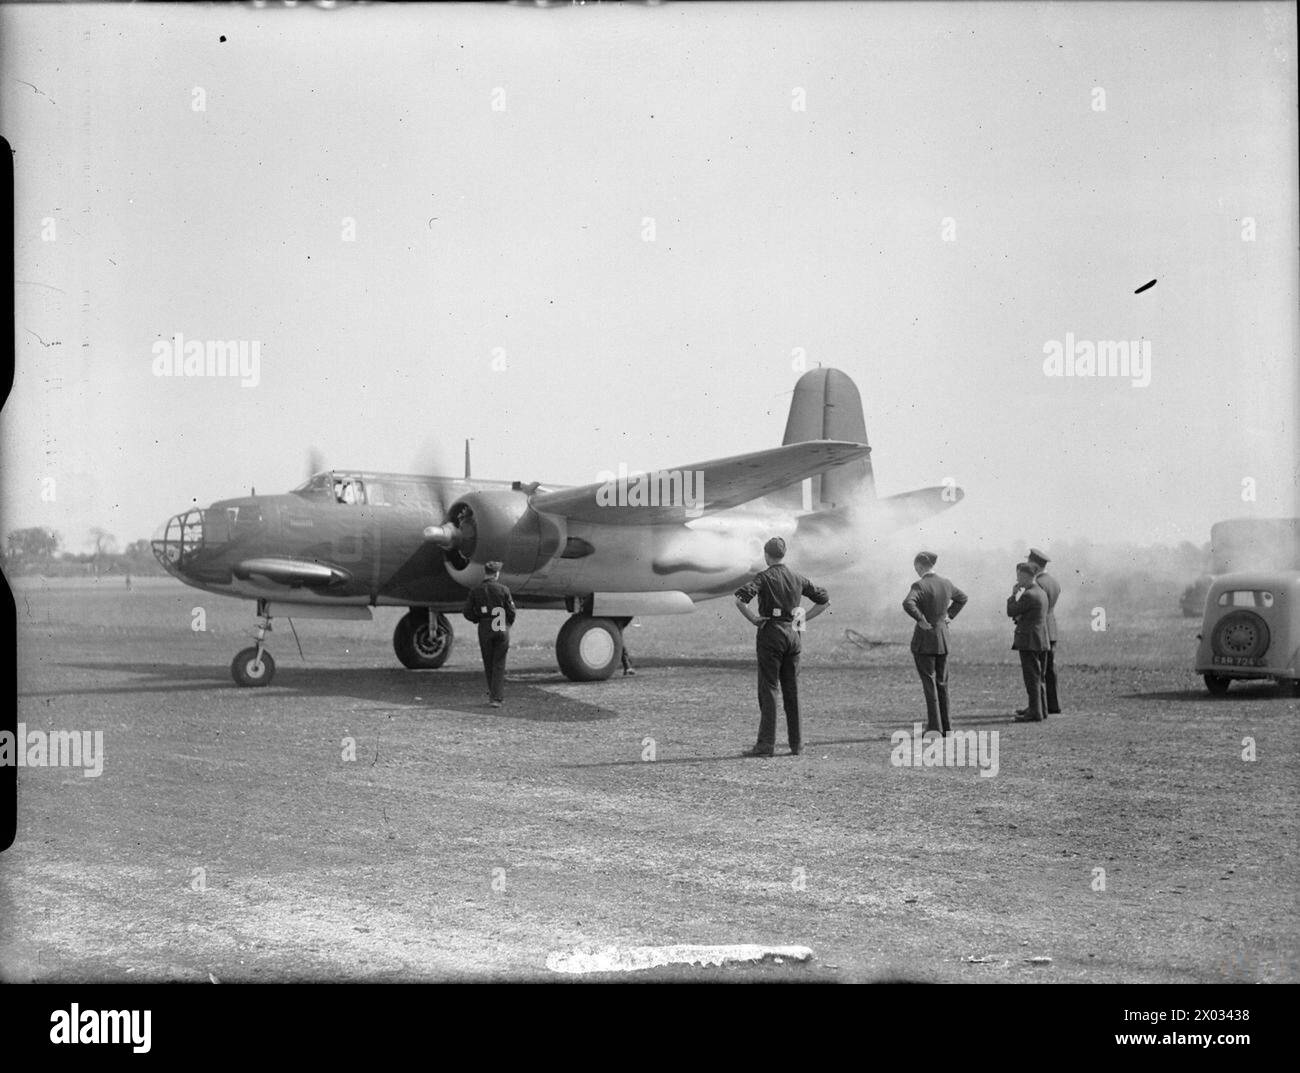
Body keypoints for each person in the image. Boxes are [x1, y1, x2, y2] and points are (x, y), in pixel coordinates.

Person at [733, 536, 830, 757]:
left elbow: (740, 599)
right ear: (783, 554)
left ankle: (766, 744)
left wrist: (753, 619)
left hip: (771, 634)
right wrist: (803, 619)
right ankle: (797, 745)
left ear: (766, 555)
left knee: (768, 689)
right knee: (792, 690)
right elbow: (825, 600)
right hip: (793, 634)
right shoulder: (797, 577)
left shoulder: (764, 577)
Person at [902, 551, 968, 735]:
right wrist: (949, 615)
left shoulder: (919, 584)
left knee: (929, 684)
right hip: (943, 639)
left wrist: (921, 619)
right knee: (942, 683)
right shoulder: (946, 583)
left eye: (916, 567)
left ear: (919, 566)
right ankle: (947, 727)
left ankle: (934, 726)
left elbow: (908, 603)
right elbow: (962, 598)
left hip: (925, 641)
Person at [462, 561, 517, 708]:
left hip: (485, 628)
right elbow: (511, 611)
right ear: (497, 574)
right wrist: (508, 624)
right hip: (501, 626)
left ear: (485, 573)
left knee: (489, 662)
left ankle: (493, 696)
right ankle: (496, 698)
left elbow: (467, 612)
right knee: (499, 663)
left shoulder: (476, 590)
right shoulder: (504, 589)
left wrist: (478, 619)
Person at [1007, 561, 1050, 722]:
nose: (1017, 579)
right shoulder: (1041, 592)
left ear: (1025, 576)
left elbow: (1011, 611)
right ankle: (1040, 709)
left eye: (1019, 575)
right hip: (1041, 639)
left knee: (1031, 677)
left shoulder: (1028, 594)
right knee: (1039, 677)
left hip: (1029, 641)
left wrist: (1013, 595)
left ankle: (1035, 712)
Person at [1027, 548, 1062, 715]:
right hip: (1052, 628)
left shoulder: (1038, 584)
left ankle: (1038, 707)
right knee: (1050, 669)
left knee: (1037, 670)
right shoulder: (1054, 582)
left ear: (1034, 565)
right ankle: (1053, 705)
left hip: (1040, 629)